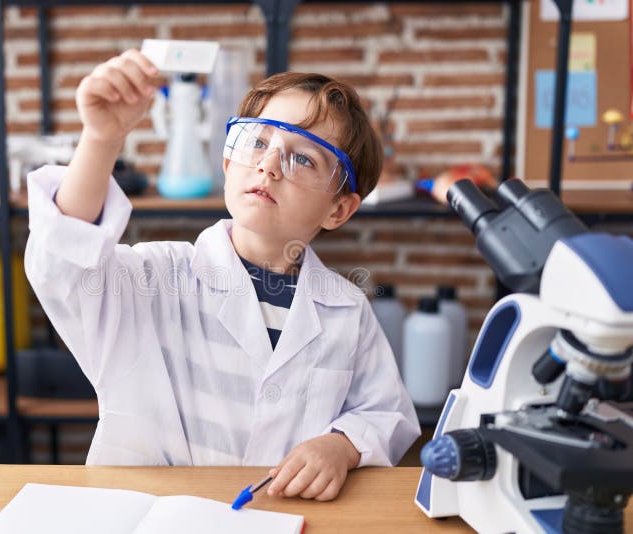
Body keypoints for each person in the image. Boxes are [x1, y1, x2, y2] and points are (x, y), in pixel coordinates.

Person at [25, 49, 420, 502]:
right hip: (147, 517)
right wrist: (100, 139)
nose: (269, 165)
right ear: (230, 164)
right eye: (258, 142)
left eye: (304, 159)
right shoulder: (154, 278)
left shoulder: (346, 310)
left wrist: (341, 445)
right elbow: (64, 261)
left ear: (339, 209)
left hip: (279, 517)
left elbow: (385, 411)